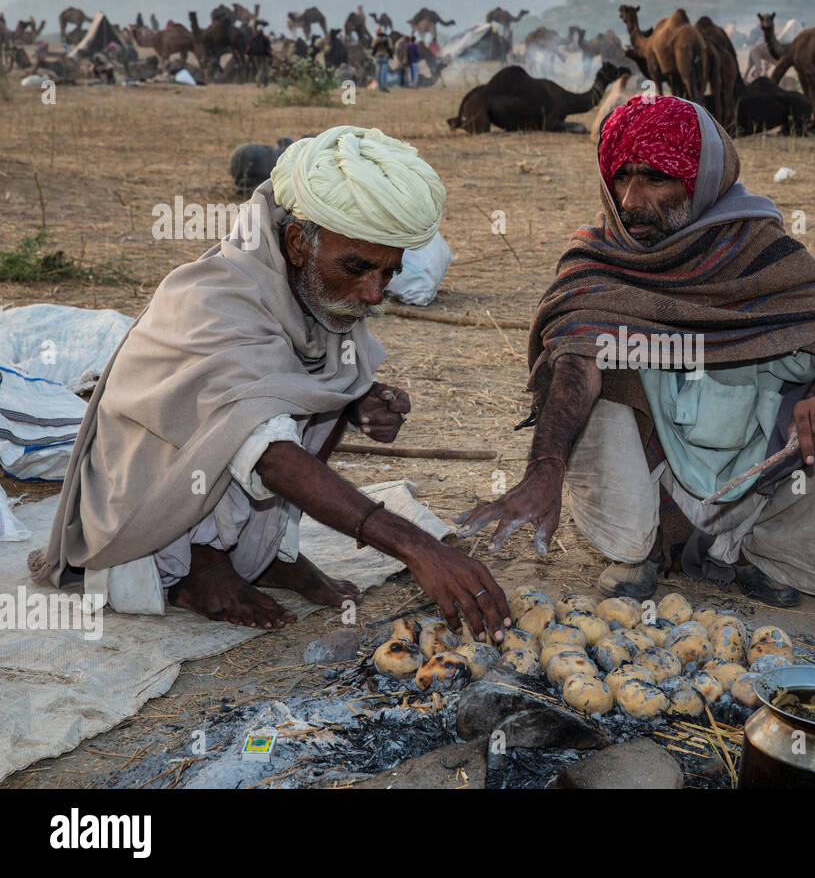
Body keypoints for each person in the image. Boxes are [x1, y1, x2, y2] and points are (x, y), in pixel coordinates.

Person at [29, 126, 509, 639]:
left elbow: (306, 380)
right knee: (259, 428)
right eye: (359, 268)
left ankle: (266, 553)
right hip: (146, 493)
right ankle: (198, 561)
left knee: (315, 402)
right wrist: (416, 546)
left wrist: (356, 400)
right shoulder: (214, 300)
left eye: (389, 273)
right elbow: (267, 451)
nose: (374, 293)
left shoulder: (312, 280)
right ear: (300, 243)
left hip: (234, 462)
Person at [456, 95, 815, 607]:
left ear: (703, 180)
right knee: (580, 378)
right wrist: (543, 471)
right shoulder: (599, 258)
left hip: (761, 481)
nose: (632, 201)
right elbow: (576, 357)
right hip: (650, 483)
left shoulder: (759, 249)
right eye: (621, 177)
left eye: (656, 178)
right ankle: (635, 553)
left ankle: (771, 560)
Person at [247, 22, 272, 86]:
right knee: (264, 69)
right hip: (263, 56)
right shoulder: (265, 38)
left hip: (255, 56)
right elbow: (268, 49)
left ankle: (259, 81)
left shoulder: (253, 38)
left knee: (258, 69)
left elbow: (249, 47)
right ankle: (263, 83)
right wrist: (271, 56)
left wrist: (248, 55)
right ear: (262, 30)